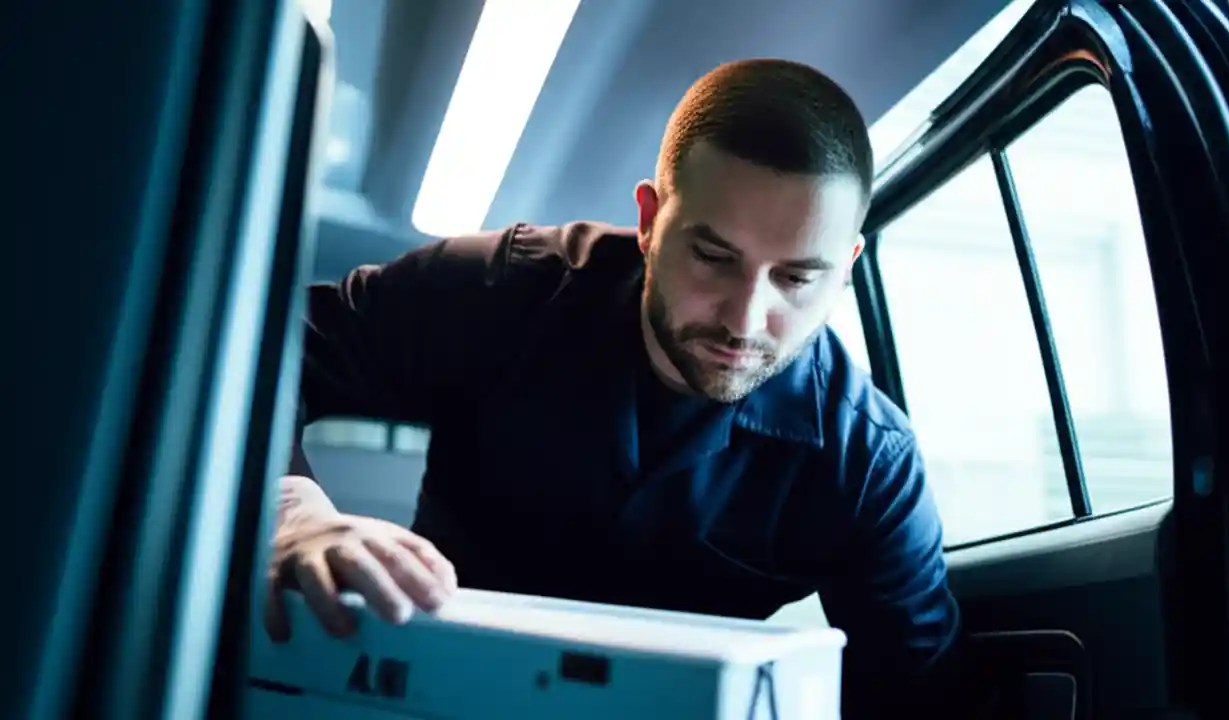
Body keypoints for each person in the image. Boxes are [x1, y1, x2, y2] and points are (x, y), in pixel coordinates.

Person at [266, 58, 965, 717]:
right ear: (649, 221)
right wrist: (288, 505)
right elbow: (266, 347)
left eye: (797, 278)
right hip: (429, 697)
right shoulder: (503, 291)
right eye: (713, 257)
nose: (746, 319)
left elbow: (913, 691)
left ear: (846, 266)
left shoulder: (867, 462)